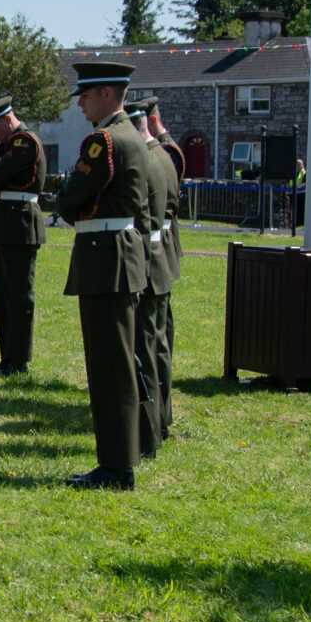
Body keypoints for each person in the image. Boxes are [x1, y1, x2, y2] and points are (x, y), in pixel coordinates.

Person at [54, 61, 152, 491]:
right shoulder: (129, 136)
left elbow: (71, 196)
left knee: (109, 367)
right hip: (113, 254)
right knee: (116, 362)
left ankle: (116, 466)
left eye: (87, 95)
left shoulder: (105, 141)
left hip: (106, 257)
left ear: (108, 94)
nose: (81, 103)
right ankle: (118, 459)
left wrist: (71, 204)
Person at [0, 97, 47, 376]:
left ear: (8, 120)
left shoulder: (24, 141)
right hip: (3, 220)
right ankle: (7, 357)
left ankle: (17, 359)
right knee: (1, 294)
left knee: (18, 294)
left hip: (19, 222)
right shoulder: (10, 143)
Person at [126, 95, 173, 461]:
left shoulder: (145, 159)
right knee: (157, 344)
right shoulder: (162, 154)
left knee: (146, 349)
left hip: (147, 258)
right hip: (160, 257)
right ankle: (161, 418)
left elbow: (145, 219)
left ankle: (151, 425)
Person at [144, 98, 186, 435]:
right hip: (161, 243)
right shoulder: (163, 150)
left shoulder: (165, 152)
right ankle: (160, 409)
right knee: (159, 333)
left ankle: (160, 411)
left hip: (161, 243)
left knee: (159, 335)